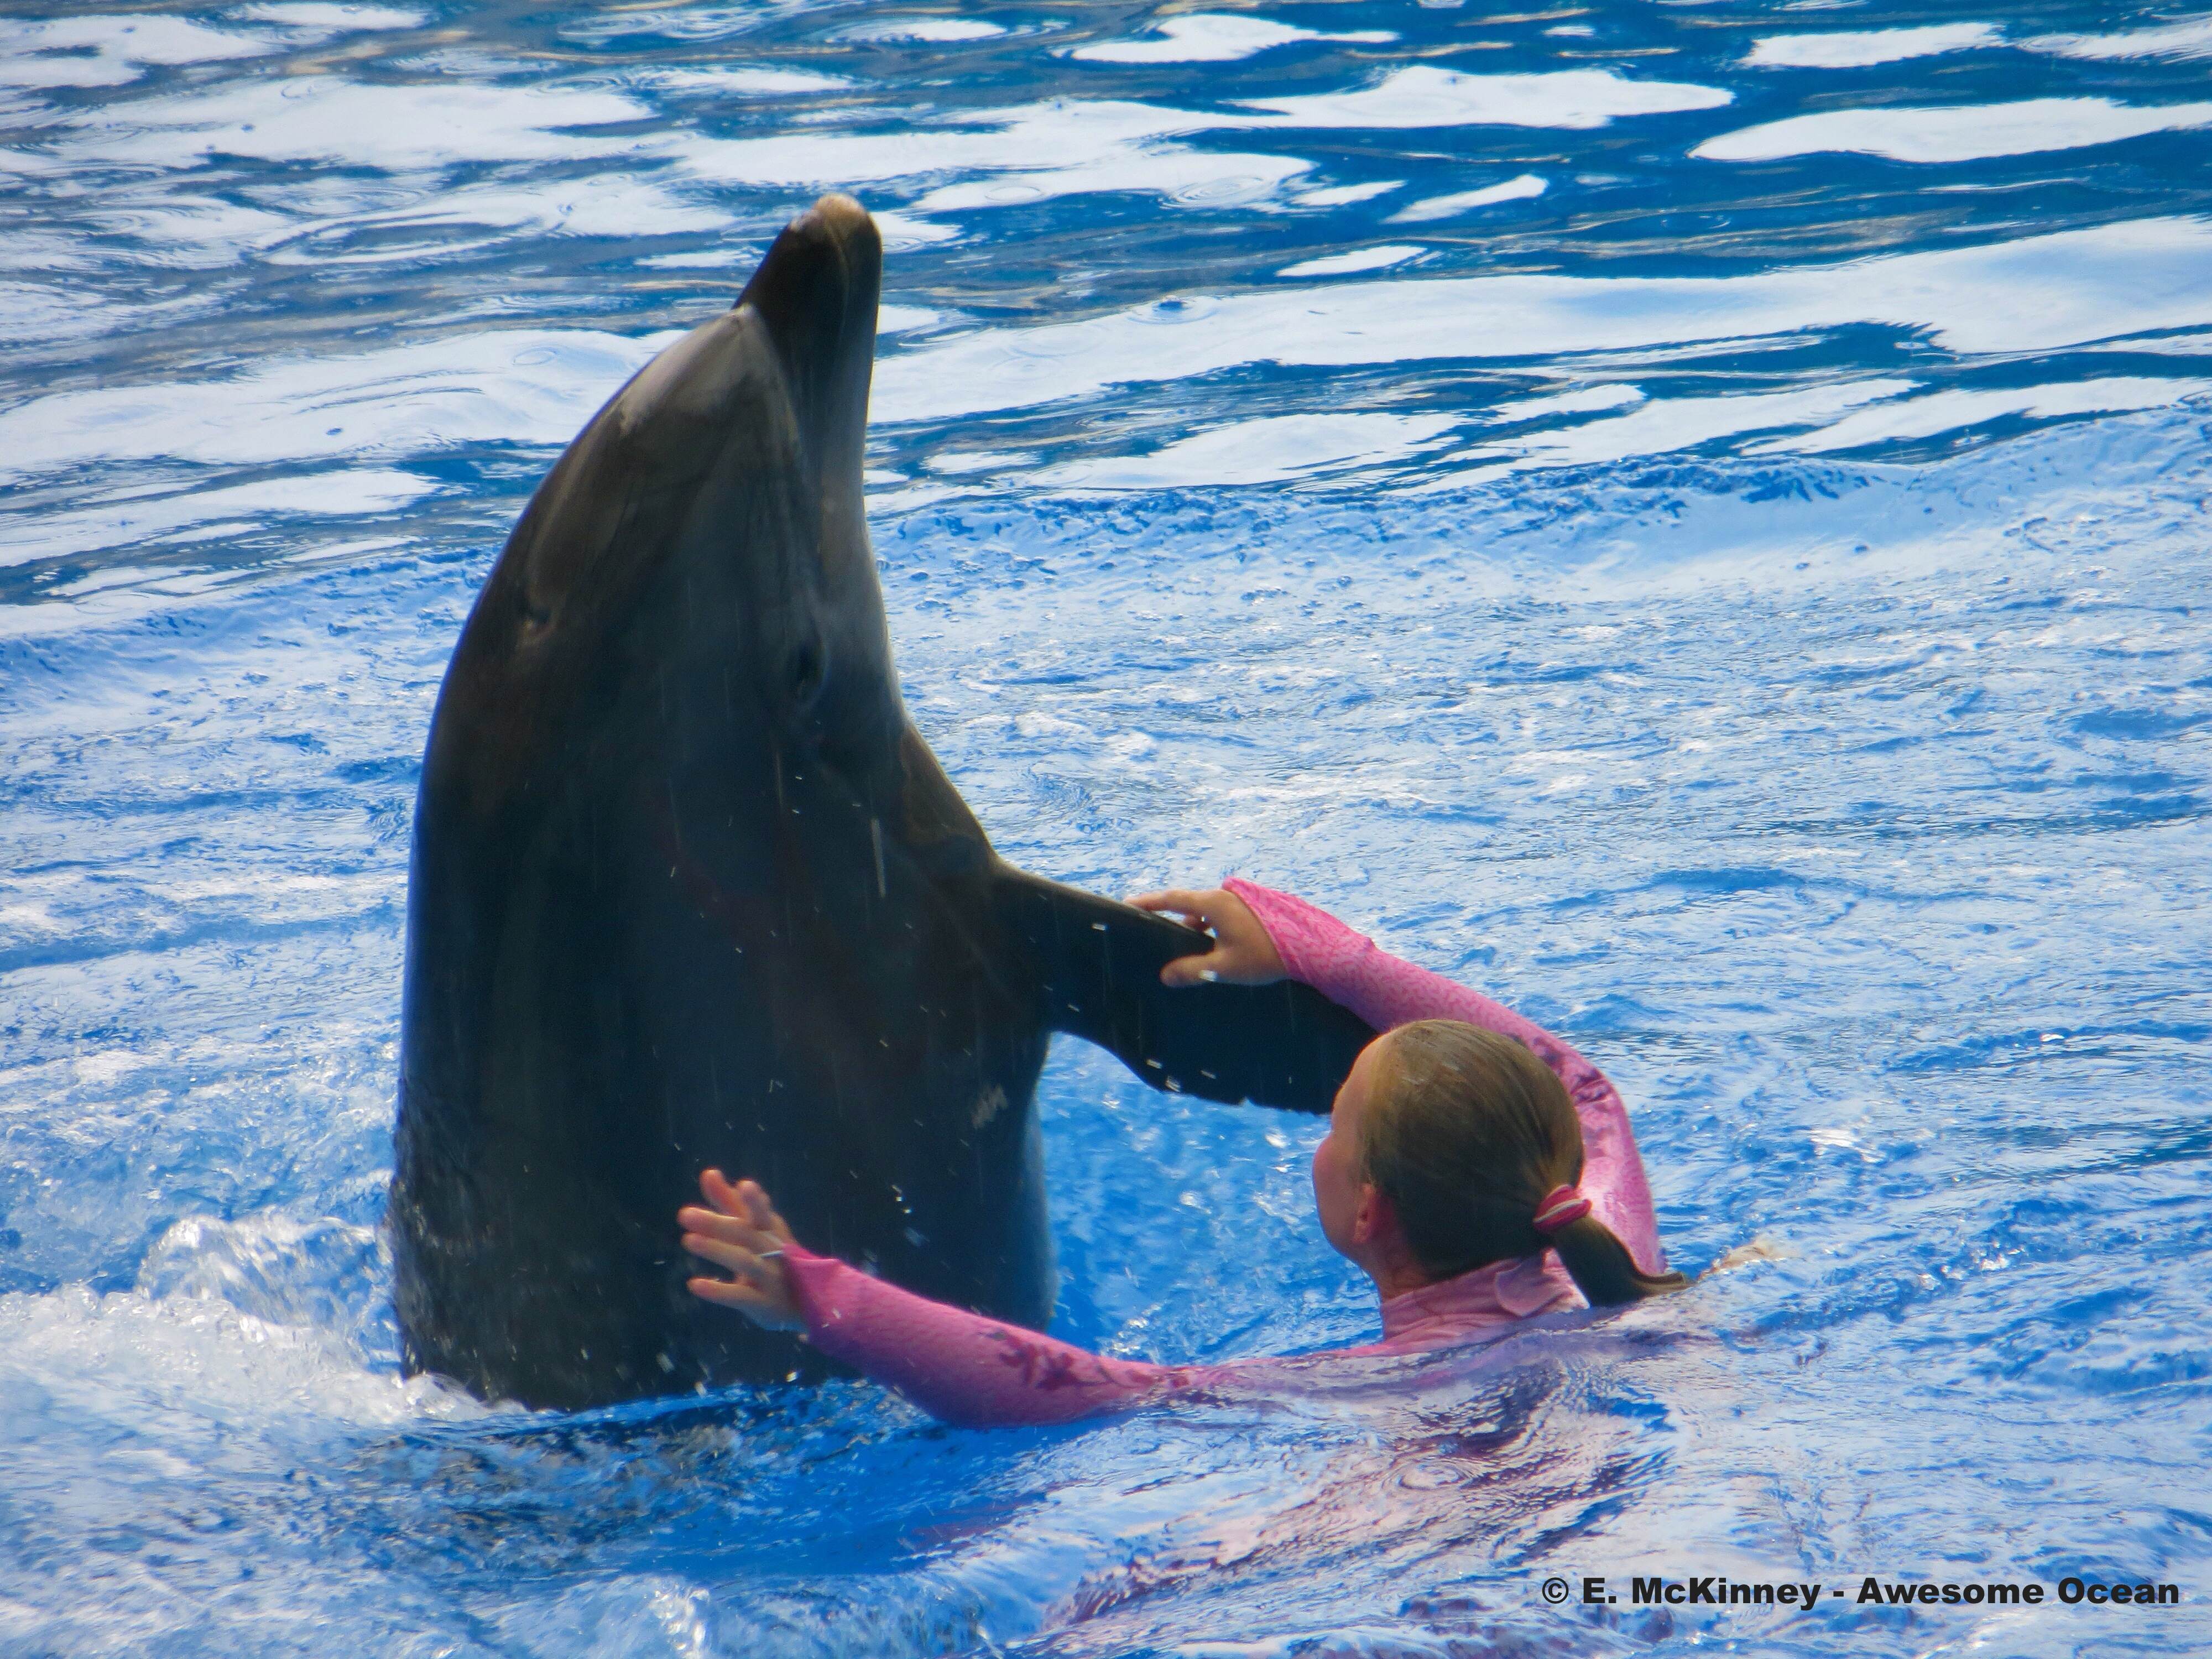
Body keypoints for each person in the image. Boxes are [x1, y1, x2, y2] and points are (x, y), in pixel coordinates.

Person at [678, 879, 1686, 1427]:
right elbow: (1583, 1091)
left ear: (1369, 1213)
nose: (1322, 1135)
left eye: (1336, 1119)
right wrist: (1329, 956)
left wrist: (818, 1293)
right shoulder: (1604, 1245)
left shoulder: (1359, 1390)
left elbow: (1070, 1390)